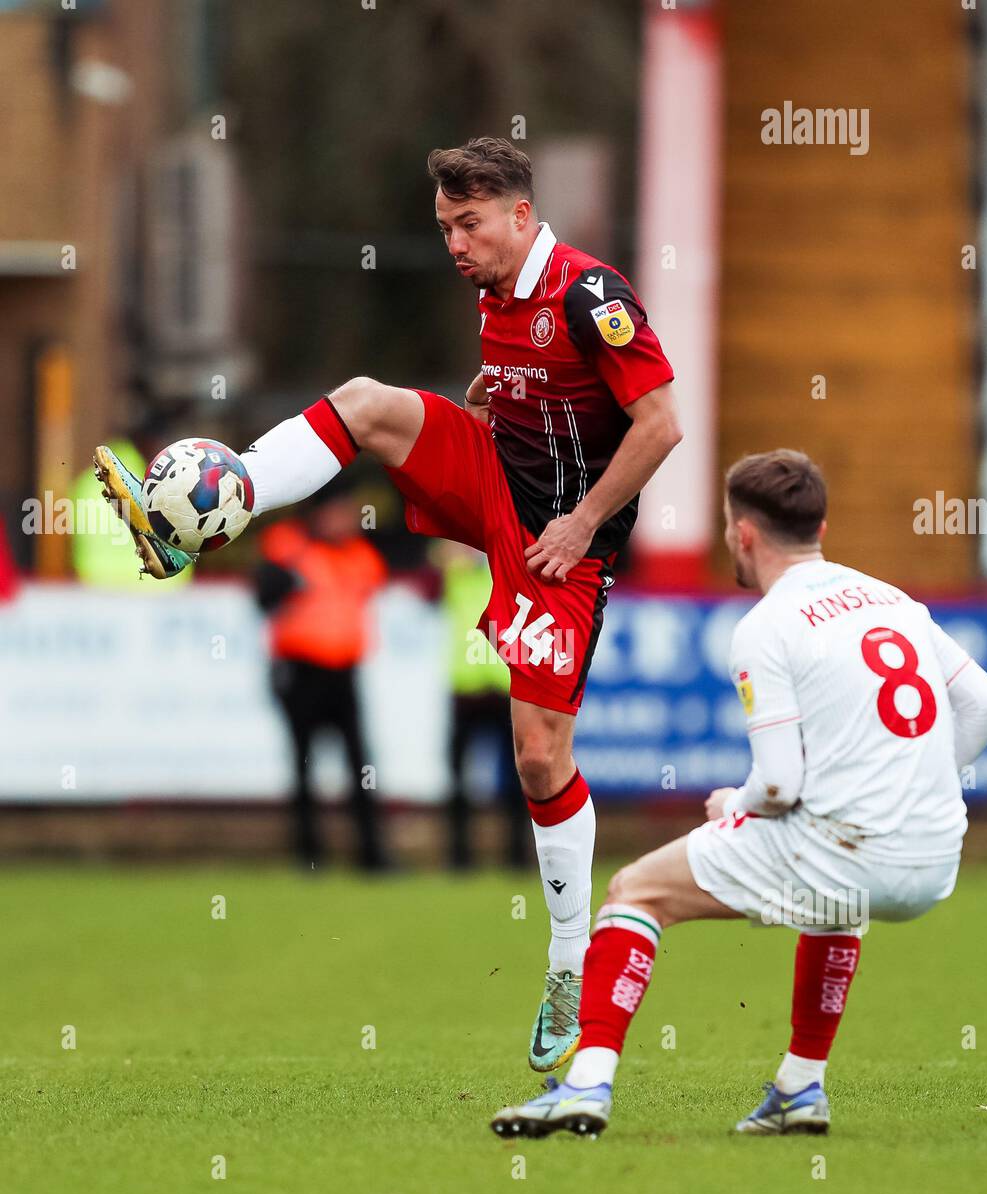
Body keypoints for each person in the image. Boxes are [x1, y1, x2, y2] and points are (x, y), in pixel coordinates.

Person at [93, 136, 681, 1074]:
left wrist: (582, 523)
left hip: (559, 545)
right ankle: (219, 502)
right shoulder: (496, 294)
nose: (454, 243)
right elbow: (539, 384)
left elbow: (661, 424)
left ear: (522, 217)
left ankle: (571, 958)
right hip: (496, 477)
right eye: (444, 226)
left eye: (470, 224)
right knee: (367, 401)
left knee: (538, 757)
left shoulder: (591, 295)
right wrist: (505, 392)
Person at [490, 450, 987, 1139]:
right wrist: (912, 786)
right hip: (933, 859)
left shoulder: (766, 626)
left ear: (742, 534)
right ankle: (800, 1088)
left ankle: (585, 1085)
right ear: (820, 524)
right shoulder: (894, 601)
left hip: (848, 849)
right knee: (838, 903)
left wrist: (734, 803)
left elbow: (777, 783)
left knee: (635, 892)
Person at [256, 486, 389, 871]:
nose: (345, 522)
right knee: (303, 763)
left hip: (343, 672)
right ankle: (308, 854)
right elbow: (263, 597)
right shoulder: (288, 547)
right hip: (301, 671)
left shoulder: (359, 556)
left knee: (360, 764)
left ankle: (370, 854)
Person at [436, 540, 530, 870]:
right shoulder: (457, 570)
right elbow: (438, 562)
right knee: (458, 777)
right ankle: (459, 856)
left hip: (504, 684)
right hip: (468, 687)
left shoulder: (508, 572)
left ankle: (517, 856)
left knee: (517, 777)